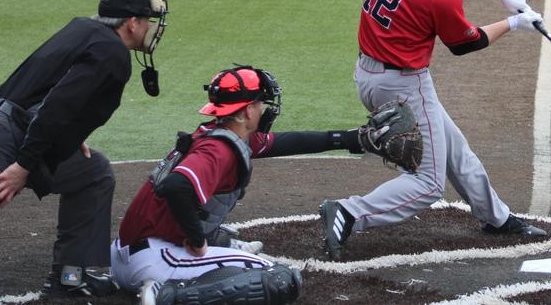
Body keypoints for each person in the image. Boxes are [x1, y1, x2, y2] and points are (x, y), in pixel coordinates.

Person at [318, 0, 549, 262]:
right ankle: (349, 213)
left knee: (454, 149)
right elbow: (465, 43)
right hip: (404, 86)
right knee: (427, 184)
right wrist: (515, 24)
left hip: (369, 73)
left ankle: (496, 218)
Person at [114, 65, 370, 303]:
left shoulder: (220, 134)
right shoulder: (218, 150)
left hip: (130, 252)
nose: (264, 109)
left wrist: (349, 139)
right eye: (260, 103)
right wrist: (197, 240)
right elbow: (176, 186)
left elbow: (288, 142)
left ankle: (191, 262)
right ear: (247, 110)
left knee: (223, 240)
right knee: (278, 279)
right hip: (154, 258)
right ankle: (166, 295)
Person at [0, 0, 168, 298]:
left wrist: (68, 136)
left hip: (16, 126)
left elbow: (54, 90)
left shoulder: (84, 29)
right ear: (132, 23)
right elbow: (56, 107)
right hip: (5, 138)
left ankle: (69, 276)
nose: (150, 28)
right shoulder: (112, 53)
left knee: (93, 173)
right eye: (148, 21)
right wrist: (22, 167)